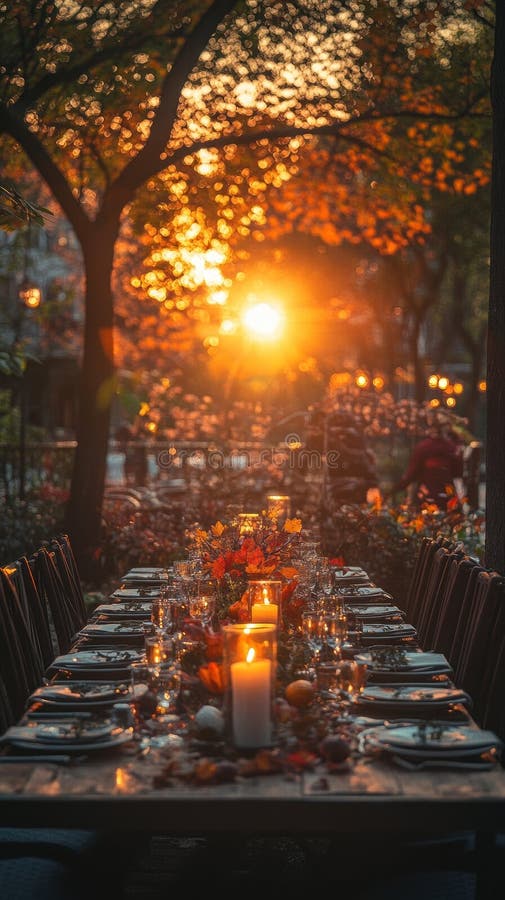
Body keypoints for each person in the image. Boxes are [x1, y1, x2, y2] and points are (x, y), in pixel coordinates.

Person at [392, 420, 464, 509]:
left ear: (430, 430)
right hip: (447, 495)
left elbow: (411, 474)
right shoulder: (452, 448)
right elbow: (458, 474)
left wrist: (396, 489)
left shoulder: (423, 447)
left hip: (427, 493)